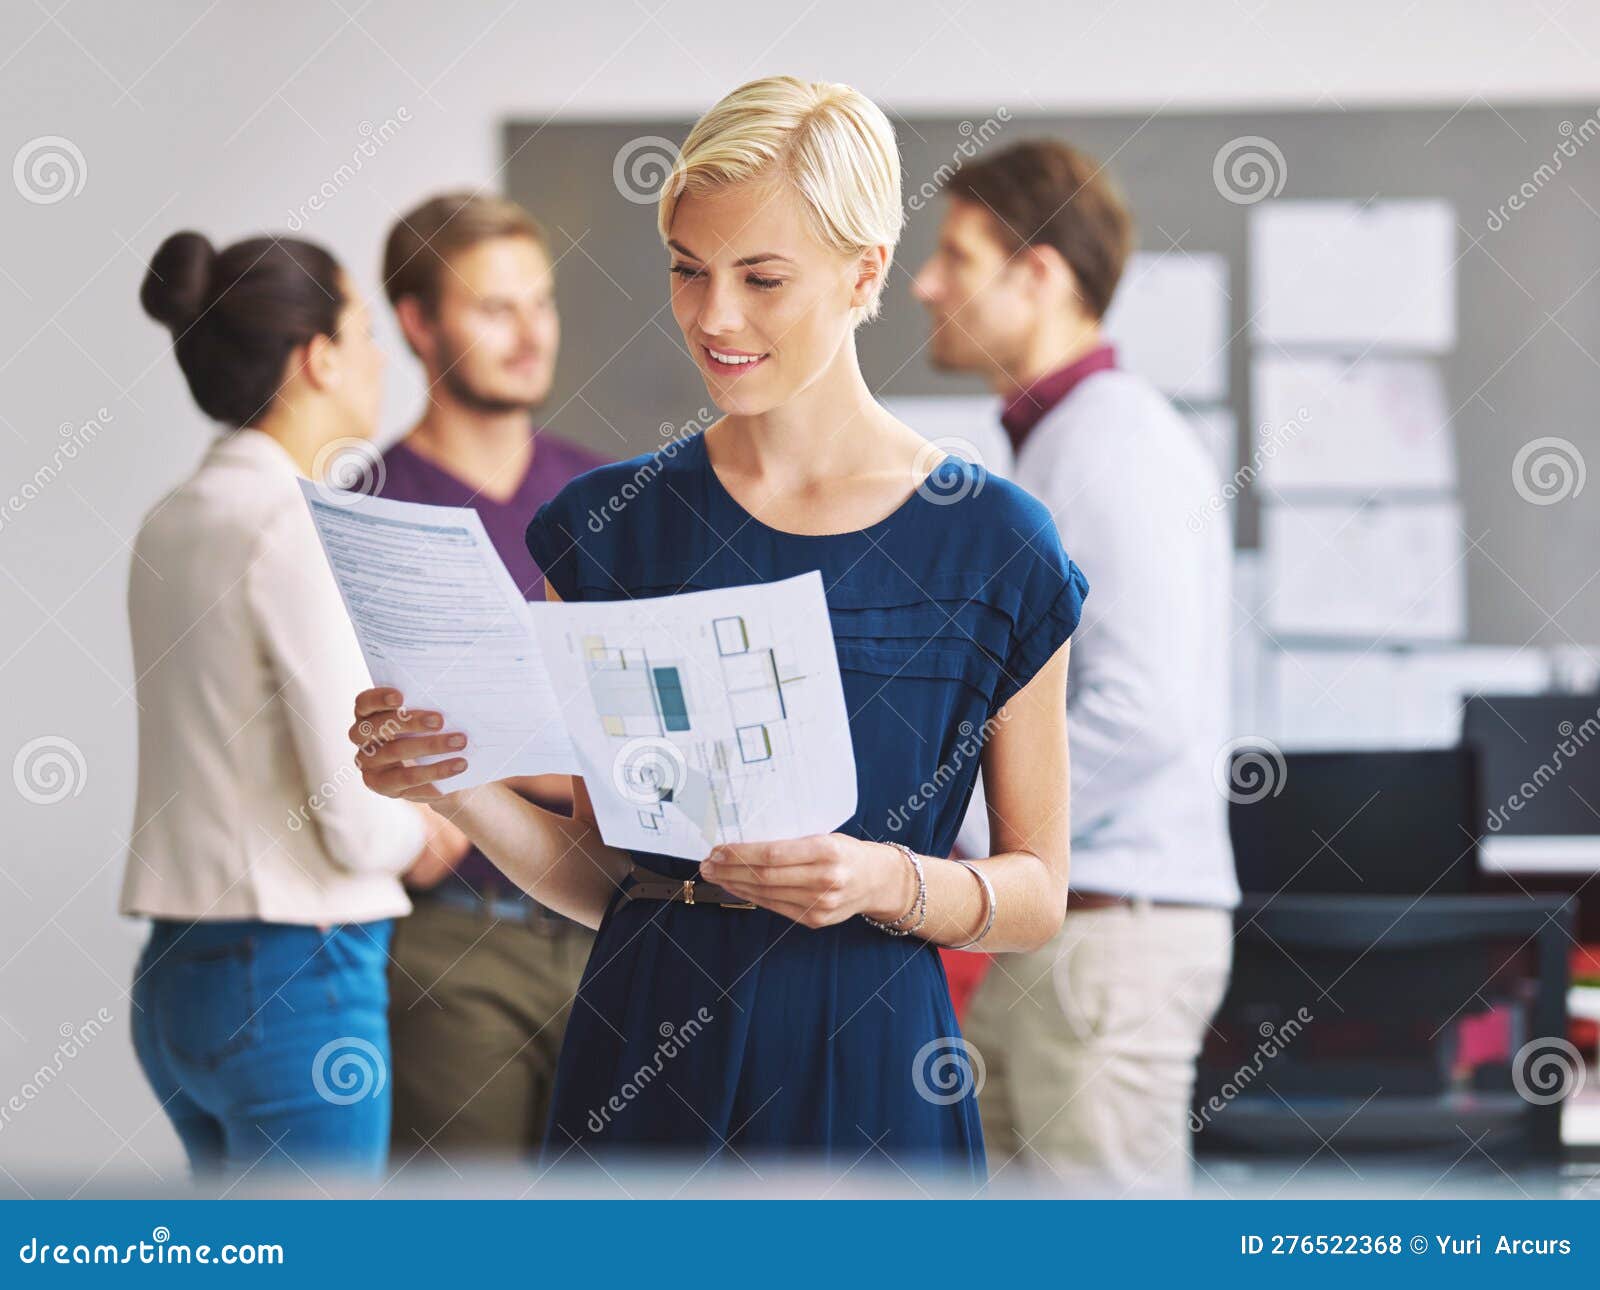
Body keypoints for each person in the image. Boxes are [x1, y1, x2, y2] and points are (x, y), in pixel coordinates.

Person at [347, 76, 1088, 1182]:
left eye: (761, 278)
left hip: (868, 1062)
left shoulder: (993, 544)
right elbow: (607, 875)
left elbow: (1036, 894)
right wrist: (453, 786)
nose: (713, 317)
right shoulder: (608, 529)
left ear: (864, 272)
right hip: (640, 1062)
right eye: (689, 271)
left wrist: (887, 882)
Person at [911, 139, 1240, 1193]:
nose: (925, 284)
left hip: (1107, 937)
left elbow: (1142, 712)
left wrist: (958, 837)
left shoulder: (1111, 445)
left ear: (1039, 274)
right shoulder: (1062, 441)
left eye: (956, 257)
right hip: (1059, 933)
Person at [122, 230, 456, 1180]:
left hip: (177, 978)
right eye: (362, 330)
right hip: (297, 981)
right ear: (317, 360)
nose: (380, 356)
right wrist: (428, 826)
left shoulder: (175, 518)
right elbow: (359, 823)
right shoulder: (295, 525)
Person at [374, 192, 609, 1168]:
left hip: (618, 938)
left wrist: (484, 761)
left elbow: (649, 745)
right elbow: (363, 755)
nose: (529, 334)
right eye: (493, 308)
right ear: (417, 323)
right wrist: (561, 758)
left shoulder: (611, 495)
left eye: (540, 304)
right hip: (454, 949)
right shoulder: (366, 509)